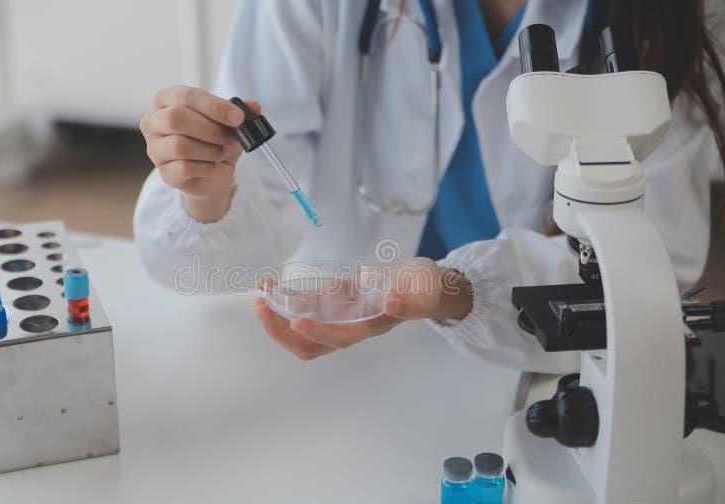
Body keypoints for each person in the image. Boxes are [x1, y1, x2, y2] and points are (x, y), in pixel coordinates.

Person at [135, 0, 725, 371]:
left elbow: (644, 278)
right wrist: (207, 191)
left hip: (535, 373)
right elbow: (199, 265)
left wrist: (454, 290)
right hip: (341, 369)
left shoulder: (662, 25)